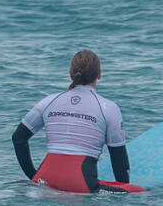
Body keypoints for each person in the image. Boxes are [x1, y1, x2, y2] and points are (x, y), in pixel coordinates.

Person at [12, 50, 132, 193]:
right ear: (99, 75)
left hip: (44, 181)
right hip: (81, 186)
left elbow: (18, 138)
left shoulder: (48, 101)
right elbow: (119, 160)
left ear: (71, 75)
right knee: (146, 193)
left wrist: (33, 175)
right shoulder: (108, 108)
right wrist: (124, 189)